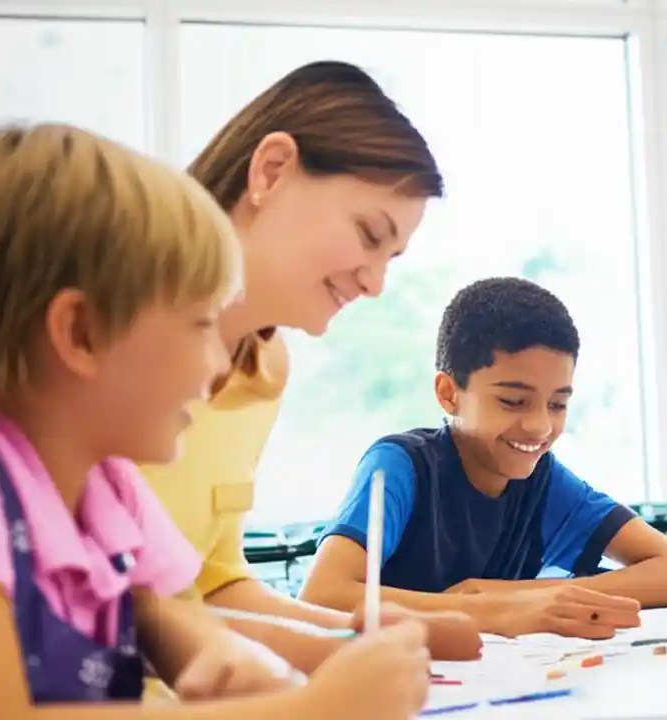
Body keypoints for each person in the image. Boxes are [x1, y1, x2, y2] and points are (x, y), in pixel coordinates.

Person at [0, 123, 431, 719]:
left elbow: (152, 606)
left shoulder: (110, 486)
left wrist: (212, 650)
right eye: (202, 325)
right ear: (81, 333)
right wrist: (309, 710)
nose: (221, 361)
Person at [136, 61, 481, 677]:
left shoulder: (263, 371)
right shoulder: (112, 348)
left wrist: (367, 632)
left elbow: (209, 590)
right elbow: (122, 612)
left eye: (393, 257)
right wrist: (331, 653)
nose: (376, 283)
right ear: (271, 171)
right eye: (369, 234)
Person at [301, 278, 667, 637]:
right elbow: (323, 594)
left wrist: (521, 596)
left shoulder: (542, 480)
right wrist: (485, 610)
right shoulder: (401, 466)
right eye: (513, 401)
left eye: (558, 404)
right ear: (448, 393)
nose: (540, 427)